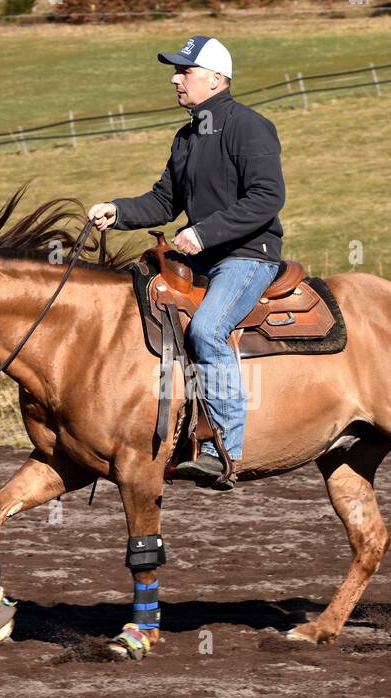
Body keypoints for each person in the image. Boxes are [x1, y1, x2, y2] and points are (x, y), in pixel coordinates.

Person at [88, 35, 286, 490]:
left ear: (216, 79)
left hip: (246, 257)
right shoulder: (187, 136)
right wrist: (117, 210)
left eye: (185, 71)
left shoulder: (249, 127)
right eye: (175, 72)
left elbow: (267, 197)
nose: (175, 80)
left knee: (207, 331)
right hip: (198, 260)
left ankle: (224, 449)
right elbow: (163, 201)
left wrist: (204, 232)